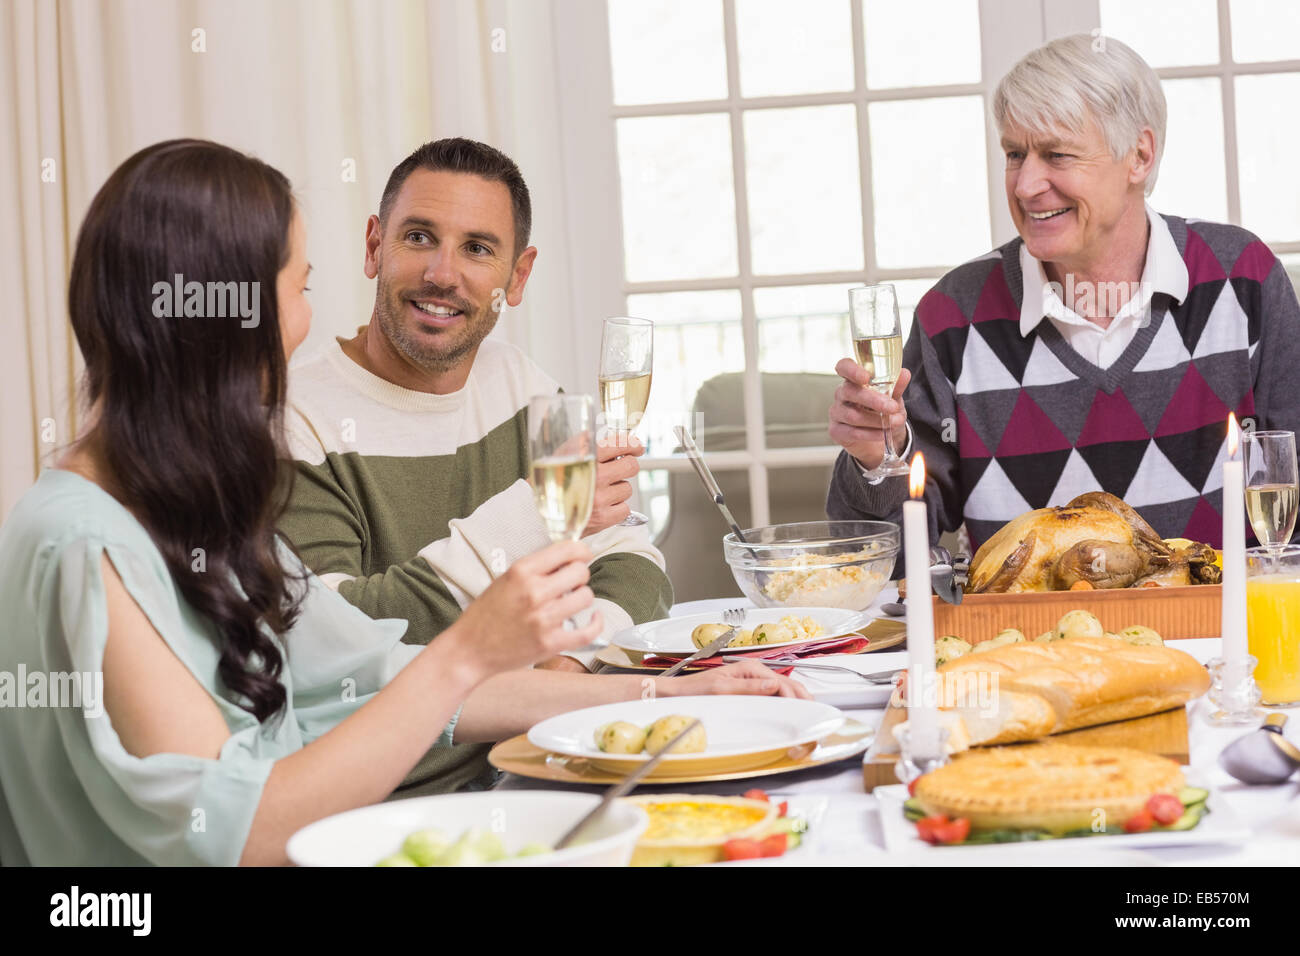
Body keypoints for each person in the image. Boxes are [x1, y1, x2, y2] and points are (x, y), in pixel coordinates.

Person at [0, 139, 800, 865]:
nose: (305, 325)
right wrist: (470, 645)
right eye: (297, 288)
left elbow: (377, 673)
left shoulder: (192, 510)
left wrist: (678, 689)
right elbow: (241, 832)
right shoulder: (80, 544)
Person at [278, 138, 800, 796]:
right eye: (418, 237)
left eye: (477, 248)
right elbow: (343, 642)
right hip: (393, 800)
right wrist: (534, 517)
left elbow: (632, 563)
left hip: (541, 756)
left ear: (515, 278)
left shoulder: (522, 387)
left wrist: (574, 667)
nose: (444, 273)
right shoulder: (297, 417)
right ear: (374, 247)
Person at [827, 34, 1300, 555]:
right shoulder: (953, 316)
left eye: (1056, 154)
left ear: (1139, 156)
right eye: (1014, 153)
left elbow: (1291, 513)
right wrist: (876, 462)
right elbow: (878, 559)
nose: (1026, 184)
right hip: (1028, 640)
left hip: (1220, 637)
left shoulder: (1244, 281)